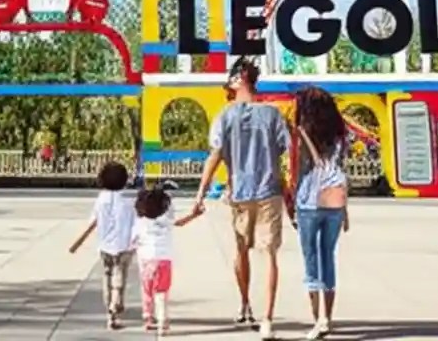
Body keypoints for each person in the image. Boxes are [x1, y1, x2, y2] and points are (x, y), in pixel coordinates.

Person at [193, 57, 291, 340]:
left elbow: (215, 155)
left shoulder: (224, 116)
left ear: (243, 77)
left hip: (240, 193)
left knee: (242, 251)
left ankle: (246, 303)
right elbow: (284, 150)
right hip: (268, 191)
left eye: (233, 77)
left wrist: (200, 195)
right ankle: (266, 320)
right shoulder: (273, 115)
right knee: (269, 254)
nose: (231, 82)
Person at [292, 87, 351, 339]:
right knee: (328, 256)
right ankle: (328, 317)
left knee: (311, 260)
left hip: (309, 201)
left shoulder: (303, 133)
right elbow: (339, 170)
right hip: (336, 201)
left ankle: (320, 319)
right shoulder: (340, 136)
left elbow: (299, 170)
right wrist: (346, 211)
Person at [68, 161, 137, 329]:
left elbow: (93, 221)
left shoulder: (100, 200)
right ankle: (116, 302)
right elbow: (135, 224)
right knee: (120, 275)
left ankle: (110, 314)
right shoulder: (128, 203)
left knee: (106, 276)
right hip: (123, 245)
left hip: (104, 245)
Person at [132, 184, 201, 333]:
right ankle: (162, 320)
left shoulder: (140, 222)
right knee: (161, 291)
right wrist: (194, 215)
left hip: (146, 260)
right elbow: (181, 223)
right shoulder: (166, 221)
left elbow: (132, 240)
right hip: (164, 260)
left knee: (147, 289)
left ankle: (148, 317)